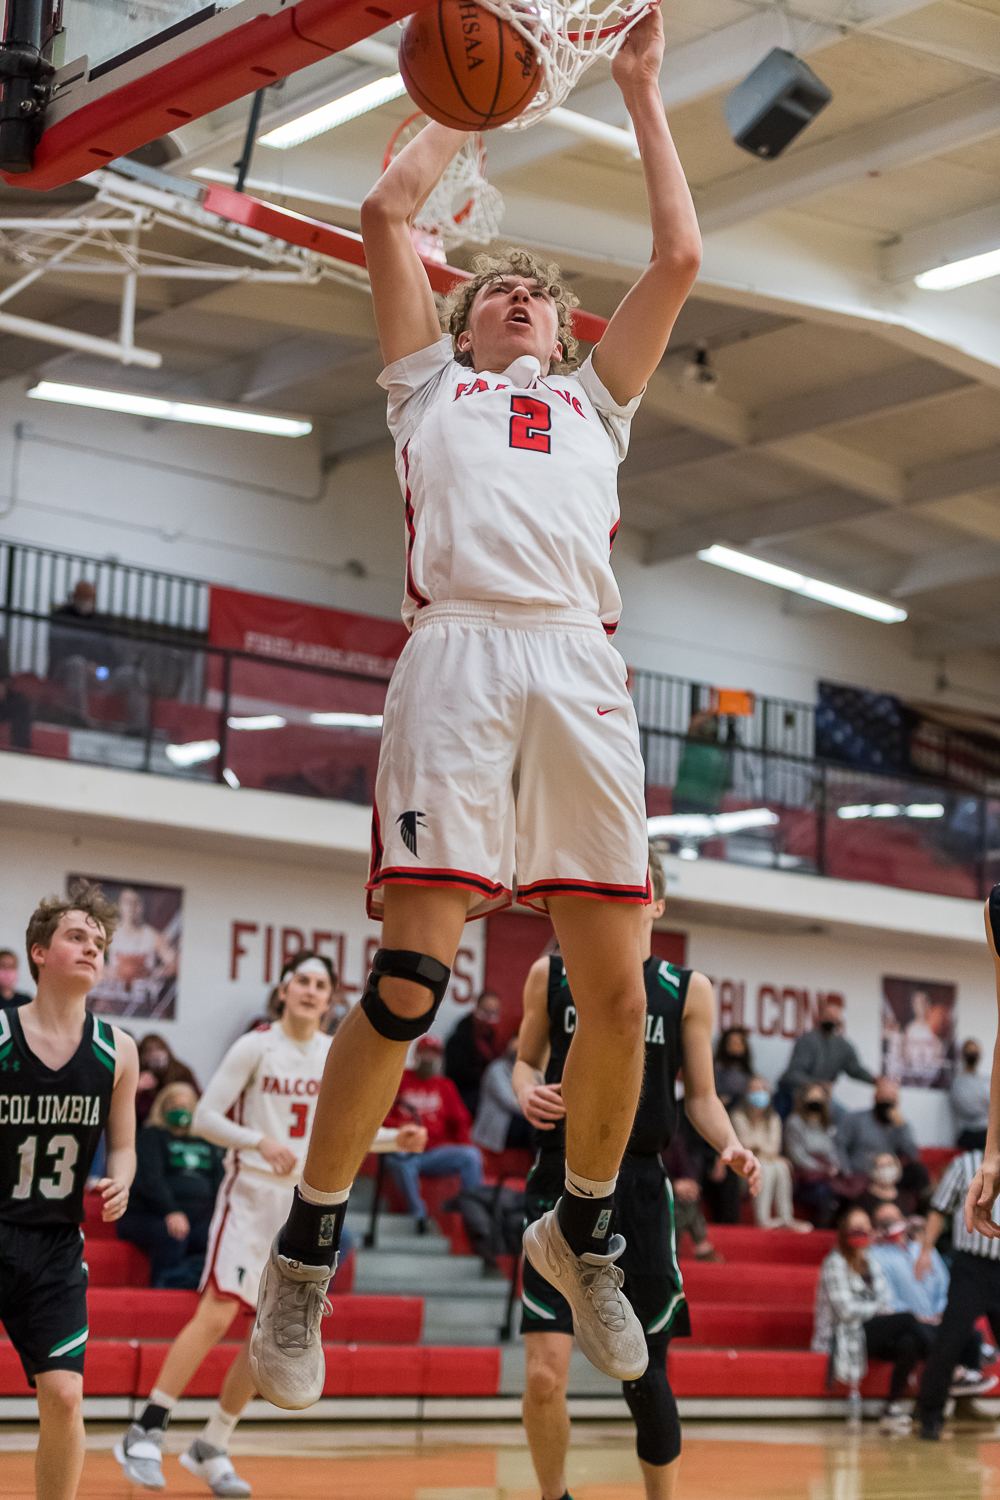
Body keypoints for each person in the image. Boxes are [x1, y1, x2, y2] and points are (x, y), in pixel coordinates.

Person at [248, 3, 704, 1409]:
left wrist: (638, 91)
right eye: (495, 288)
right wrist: (480, 105)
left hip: (578, 664)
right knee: (408, 983)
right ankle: (304, 1259)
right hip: (455, 657)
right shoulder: (424, 388)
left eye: (536, 295)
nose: (517, 297)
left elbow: (680, 259)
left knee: (616, 994)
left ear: (563, 330)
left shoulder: (596, 406)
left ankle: (581, 1233)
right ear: (459, 319)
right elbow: (387, 211)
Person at [115, 949, 427, 1495]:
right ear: (283, 990)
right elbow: (206, 1118)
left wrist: (391, 1140)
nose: (310, 991)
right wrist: (259, 1141)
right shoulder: (256, 1046)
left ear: (332, 999)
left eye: (320, 985)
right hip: (251, 1193)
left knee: (271, 1333)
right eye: (301, 981)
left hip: (302, 1206)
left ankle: (212, 1444)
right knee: (217, 1313)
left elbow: (343, 1131)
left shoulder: (336, 1052)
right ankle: (146, 1428)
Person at [514, 848, 760, 1500]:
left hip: (641, 1187)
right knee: (543, 1376)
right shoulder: (552, 973)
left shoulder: (686, 989)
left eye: (636, 887)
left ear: (656, 903)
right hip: (560, 1177)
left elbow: (700, 1097)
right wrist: (524, 1089)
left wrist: (731, 1144)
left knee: (646, 1377)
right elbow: (524, 1062)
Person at [0, 882, 138, 1500]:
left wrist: (122, 1179)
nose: (90, 949)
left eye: (98, 944)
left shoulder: (117, 1050)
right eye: (76, 937)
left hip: (55, 1244)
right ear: (39, 952)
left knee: (64, 1395)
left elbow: (124, 1146)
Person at [812, 1208, 928, 1435]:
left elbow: (888, 1299)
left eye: (866, 1228)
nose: (862, 1232)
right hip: (843, 1333)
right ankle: (950, 1359)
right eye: (856, 1228)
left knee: (909, 1342)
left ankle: (891, 1405)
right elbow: (846, 1310)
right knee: (907, 1319)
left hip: (869, 1329)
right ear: (844, 1232)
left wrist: (879, 1310)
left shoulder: (871, 1261)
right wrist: (877, 1310)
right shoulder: (834, 1262)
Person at [869, 1201, 993, 1410]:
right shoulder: (874, 1256)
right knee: (912, 1341)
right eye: (884, 1221)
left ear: (904, 1221)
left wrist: (943, 1312)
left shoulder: (925, 1250)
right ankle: (944, 1381)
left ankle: (965, 1402)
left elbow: (944, 1286)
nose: (891, 1225)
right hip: (906, 1324)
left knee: (972, 1335)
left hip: (935, 1319)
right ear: (875, 1227)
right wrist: (918, 1318)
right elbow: (885, 1299)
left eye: (894, 1219)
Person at [916, 1146, 1000, 1440]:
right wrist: (925, 1250)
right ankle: (929, 1415)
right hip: (971, 1267)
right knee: (949, 1341)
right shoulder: (965, 1164)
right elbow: (939, 1208)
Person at [116, 1083, 225, 1289]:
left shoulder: (208, 1142)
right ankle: (163, 1289)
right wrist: (171, 1211)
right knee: (173, 1234)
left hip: (198, 1216)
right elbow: (150, 1180)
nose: (180, 1110)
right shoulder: (151, 1137)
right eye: (173, 1106)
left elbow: (220, 1180)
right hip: (152, 1214)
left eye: (185, 1105)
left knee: (217, 1237)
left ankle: (196, 1285)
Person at [384, 1036, 484, 1230]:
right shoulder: (400, 1080)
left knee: (471, 1155)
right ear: (416, 1055)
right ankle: (418, 1215)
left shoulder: (445, 1085)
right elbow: (382, 1117)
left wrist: (463, 1142)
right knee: (399, 1158)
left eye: (434, 1054)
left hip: (435, 1152)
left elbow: (461, 1121)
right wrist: (404, 1126)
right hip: (406, 1149)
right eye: (425, 1053)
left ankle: (473, 1210)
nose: (429, 1058)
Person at [48, 579, 148, 733]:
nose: (85, 603)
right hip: (69, 671)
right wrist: (86, 665)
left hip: (101, 672)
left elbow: (112, 656)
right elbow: (59, 651)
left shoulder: (100, 622)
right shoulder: (61, 618)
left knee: (133, 674)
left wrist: (102, 668)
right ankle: (78, 717)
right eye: (82, 599)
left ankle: (138, 727)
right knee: (76, 664)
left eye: (88, 599)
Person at [731, 1078, 811, 1232]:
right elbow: (743, 1146)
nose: (759, 1093)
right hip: (743, 1167)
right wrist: (759, 1149)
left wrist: (758, 1148)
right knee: (765, 1167)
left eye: (763, 1089)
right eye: (755, 1089)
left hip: (768, 1161)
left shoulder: (774, 1118)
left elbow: (773, 1147)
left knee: (782, 1166)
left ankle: (786, 1218)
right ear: (746, 1093)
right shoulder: (737, 1116)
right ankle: (763, 1218)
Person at [775, 995, 875, 1117]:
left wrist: (874, 1080)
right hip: (795, 1094)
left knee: (844, 1118)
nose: (830, 1019)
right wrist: (818, 1084)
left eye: (834, 1016)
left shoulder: (843, 1046)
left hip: (822, 1096)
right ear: (819, 1017)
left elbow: (855, 1069)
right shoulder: (806, 1041)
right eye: (827, 1015)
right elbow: (793, 1074)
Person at [836, 1078, 930, 1205]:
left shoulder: (900, 1125)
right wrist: (846, 1171)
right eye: (883, 1097)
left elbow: (913, 1155)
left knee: (918, 1172)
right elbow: (839, 1145)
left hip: (888, 1174)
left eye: (890, 1099)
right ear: (875, 1097)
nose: (886, 1103)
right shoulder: (855, 1119)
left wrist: (901, 1128)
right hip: (860, 1172)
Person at [784, 1085, 849, 1228]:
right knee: (827, 1193)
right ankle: (820, 1229)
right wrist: (822, 1168)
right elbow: (797, 1155)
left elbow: (832, 1150)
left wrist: (835, 1166)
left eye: (819, 1098)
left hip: (827, 1172)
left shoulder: (826, 1123)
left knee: (847, 1190)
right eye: (812, 1097)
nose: (816, 1101)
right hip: (806, 1175)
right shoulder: (795, 1122)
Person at [660, 1133, 723, 1263]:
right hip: (656, 1188)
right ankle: (701, 1245)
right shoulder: (647, 1144)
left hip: (675, 1190)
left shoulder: (674, 1140)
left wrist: (690, 1183)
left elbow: (685, 1166)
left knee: (687, 1198)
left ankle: (673, 1248)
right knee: (681, 1205)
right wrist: (673, 1184)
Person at [106, 888, 177, 994]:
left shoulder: (153, 936)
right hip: (114, 996)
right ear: (120, 905)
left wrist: (151, 972)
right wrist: (111, 971)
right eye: (127, 902)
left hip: (143, 998)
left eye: (136, 902)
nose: (131, 908)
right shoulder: (109, 934)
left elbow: (174, 966)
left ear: (143, 906)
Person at [472, 1035, 534, 1153]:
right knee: (536, 1126)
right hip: (499, 1125)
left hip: (518, 1119)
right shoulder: (496, 1069)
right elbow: (509, 1101)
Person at [444, 989, 502, 1116]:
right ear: (477, 1009)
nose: (489, 1016)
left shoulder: (493, 1040)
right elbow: (455, 1075)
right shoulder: (459, 1039)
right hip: (464, 1097)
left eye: (494, 1012)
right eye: (486, 1010)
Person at [135, 1033, 199, 1126]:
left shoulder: (180, 1072)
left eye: (159, 1049)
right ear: (141, 1056)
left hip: (179, 1125)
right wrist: (137, 1088)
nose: (155, 1055)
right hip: (146, 1127)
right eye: (149, 1052)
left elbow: (195, 1100)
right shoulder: (136, 1073)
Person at [951, 1037, 990, 1150]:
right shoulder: (958, 1083)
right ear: (963, 1055)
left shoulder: (987, 1080)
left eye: (975, 1051)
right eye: (969, 1051)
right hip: (969, 1133)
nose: (973, 1054)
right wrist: (988, 1106)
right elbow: (967, 1108)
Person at [713, 1028, 752, 1107]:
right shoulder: (717, 1067)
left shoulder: (747, 1069)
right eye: (732, 1043)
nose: (736, 1046)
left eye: (739, 1043)